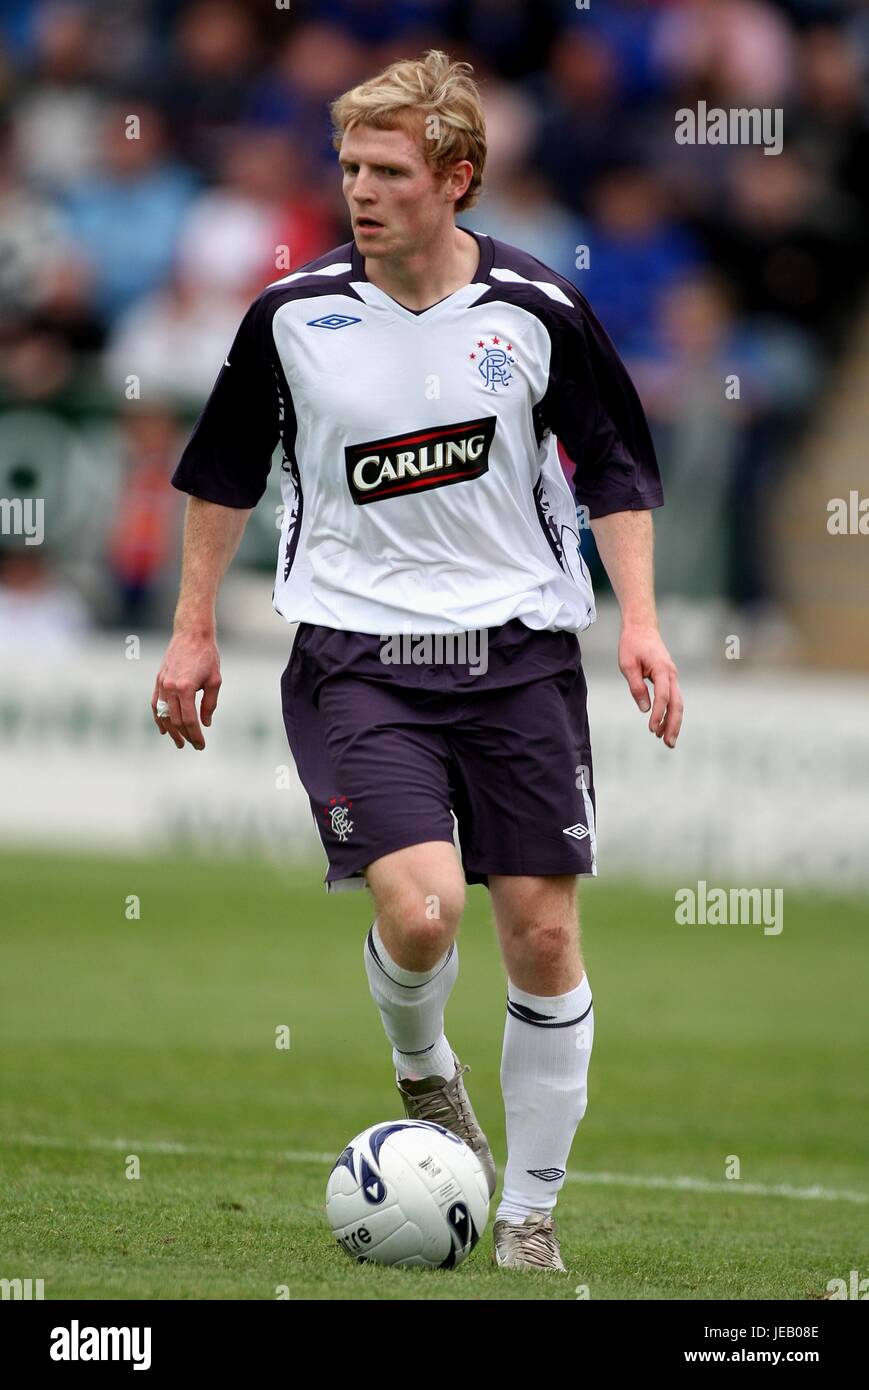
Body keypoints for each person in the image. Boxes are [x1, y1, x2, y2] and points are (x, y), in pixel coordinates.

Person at [152, 50, 683, 1273]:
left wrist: (642, 621)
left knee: (544, 940)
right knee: (426, 907)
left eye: (388, 170)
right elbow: (221, 475)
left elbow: (613, 471)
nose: (360, 190)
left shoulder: (538, 310)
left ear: (456, 180)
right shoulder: (291, 316)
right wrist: (188, 630)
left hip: (518, 655)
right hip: (358, 657)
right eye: (348, 167)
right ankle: (421, 1066)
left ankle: (529, 1216)